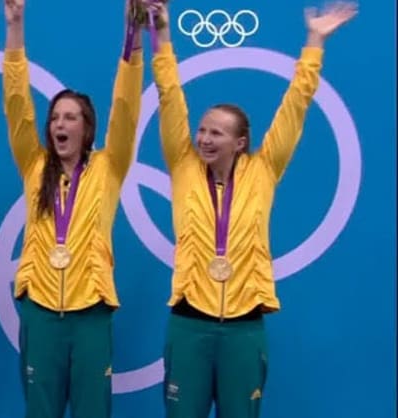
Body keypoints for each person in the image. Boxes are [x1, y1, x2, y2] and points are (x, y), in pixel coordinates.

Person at [147, 1, 357, 417]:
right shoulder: (183, 165)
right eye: (202, 129)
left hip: (244, 329)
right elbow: (170, 93)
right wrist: (162, 30)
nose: (204, 138)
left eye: (216, 133)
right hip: (189, 325)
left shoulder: (264, 169)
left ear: (240, 142)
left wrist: (315, 42)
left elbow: (295, 106)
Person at [2, 0, 144, 416]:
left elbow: (127, 110)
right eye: (55, 118)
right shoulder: (33, 164)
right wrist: (15, 28)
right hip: (41, 311)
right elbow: (16, 104)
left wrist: (133, 41)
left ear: (88, 127)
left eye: (71, 118)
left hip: (92, 312)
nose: (60, 125)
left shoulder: (109, 166)